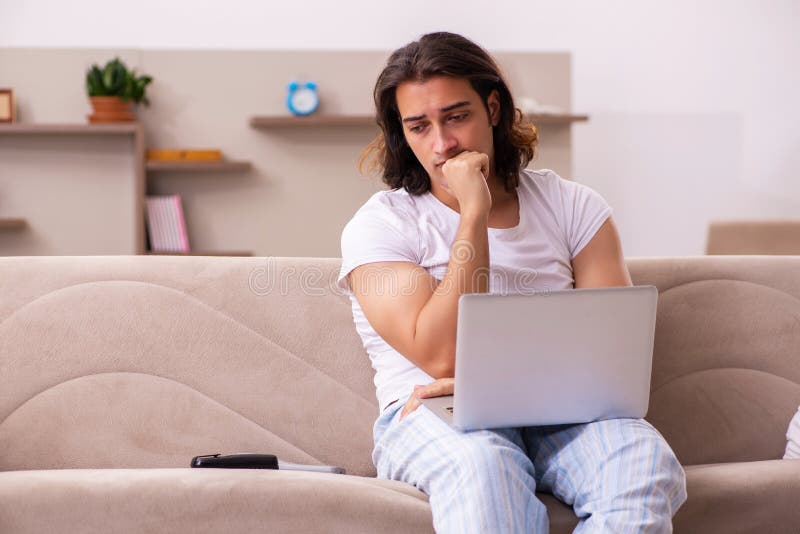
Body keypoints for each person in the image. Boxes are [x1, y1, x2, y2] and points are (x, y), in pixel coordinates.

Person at [337, 32, 687, 533]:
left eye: (456, 116)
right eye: (419, 127)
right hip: (437, 412)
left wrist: (501, 383)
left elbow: (611, 360)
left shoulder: (574, 207)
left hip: (567, 412)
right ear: (403, 133)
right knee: (483, 466)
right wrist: (474, 210)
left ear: (494, 108)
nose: (442, 144)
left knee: (640, 460)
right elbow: (442, 355)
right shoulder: (381, 226)